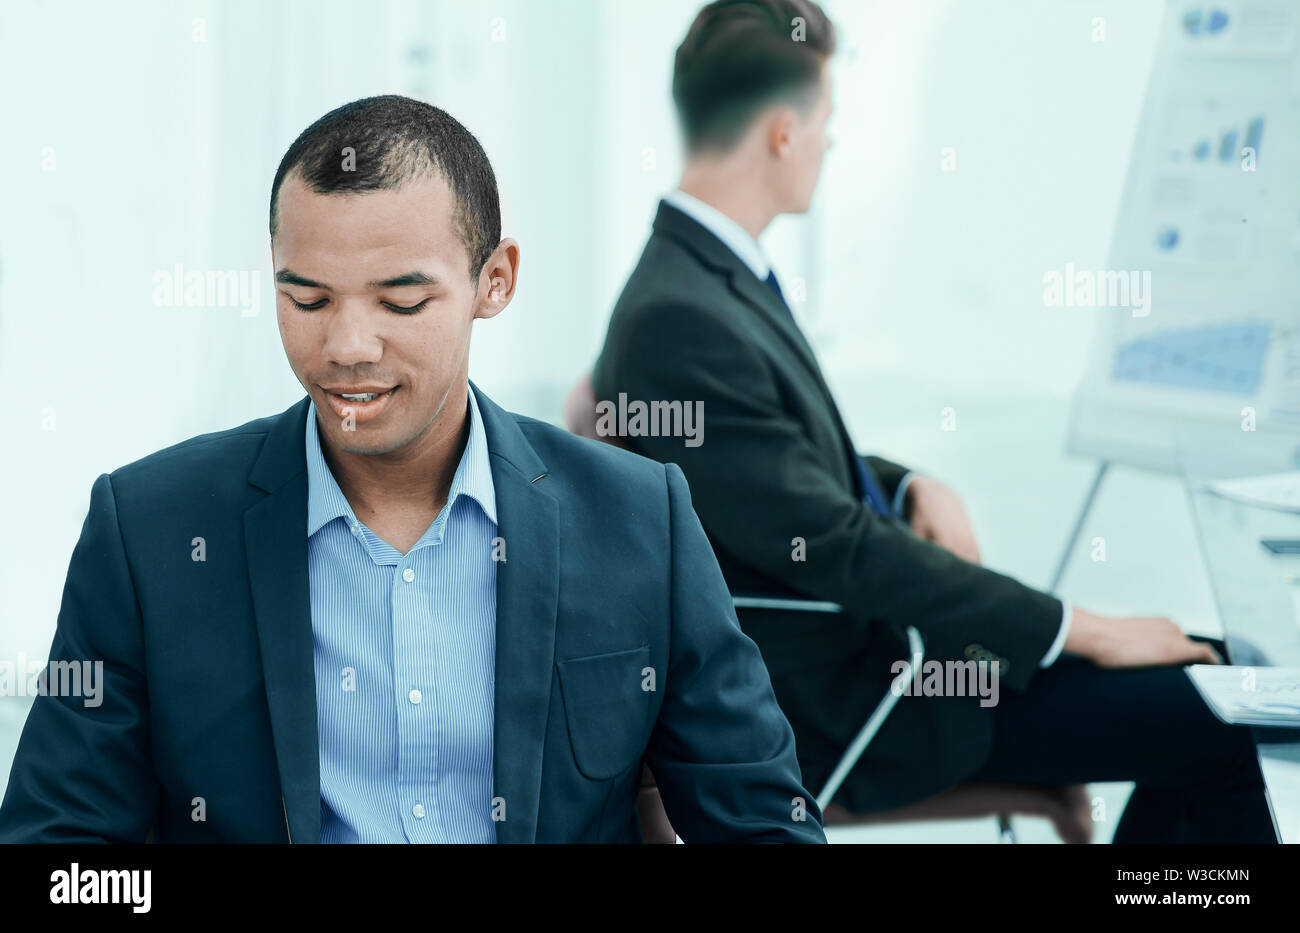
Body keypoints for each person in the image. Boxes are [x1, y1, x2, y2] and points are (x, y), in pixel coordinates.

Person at [0, 95, 824, 844]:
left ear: (492, 281)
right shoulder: (150, 529)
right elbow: (61, 851)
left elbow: (765, 828)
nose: (347, 348)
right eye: (308, 299)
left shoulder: (641, 522)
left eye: (400, 301)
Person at [593, 0, 1275, 843]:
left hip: (882, 653)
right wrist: (1080, 628)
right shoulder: (680, 314)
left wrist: (913, 480)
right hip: (855, 697)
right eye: (827, 121)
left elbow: (774, 462)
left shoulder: (702, 279)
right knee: (1234, 713)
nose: (831, 143)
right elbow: (836, 542)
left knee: (1230, 680)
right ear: (781, 133)